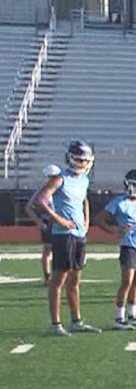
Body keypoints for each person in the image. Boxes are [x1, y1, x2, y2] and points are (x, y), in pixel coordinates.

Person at [24, 140, 101, 336]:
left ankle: (77, 320)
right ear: (70, 159)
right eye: (79, 160)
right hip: (62, 235)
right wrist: (60, 220)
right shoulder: (60, 178)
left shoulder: (83, 180)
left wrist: (86, 222)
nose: (83, 164)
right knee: (58, 279)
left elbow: (84, 200)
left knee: (75, 278)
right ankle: (56, 323)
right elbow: (41, 200)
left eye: (85, 160)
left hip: (78, 234)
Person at [93, 169, 136, 330]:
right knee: (126, 282)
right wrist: (114, 231)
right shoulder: (119, 202)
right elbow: (99, 219)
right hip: (128, 245)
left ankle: (132, 315)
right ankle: (119, 317)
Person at [34, 164, 62, 286]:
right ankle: (48, 276)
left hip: (59, 221)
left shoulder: (61, 189)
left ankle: (59, 275)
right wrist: (39, 221)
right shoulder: (43, 190)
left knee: (60, 250)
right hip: (49, 222)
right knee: (48, 249)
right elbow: (29, 207)